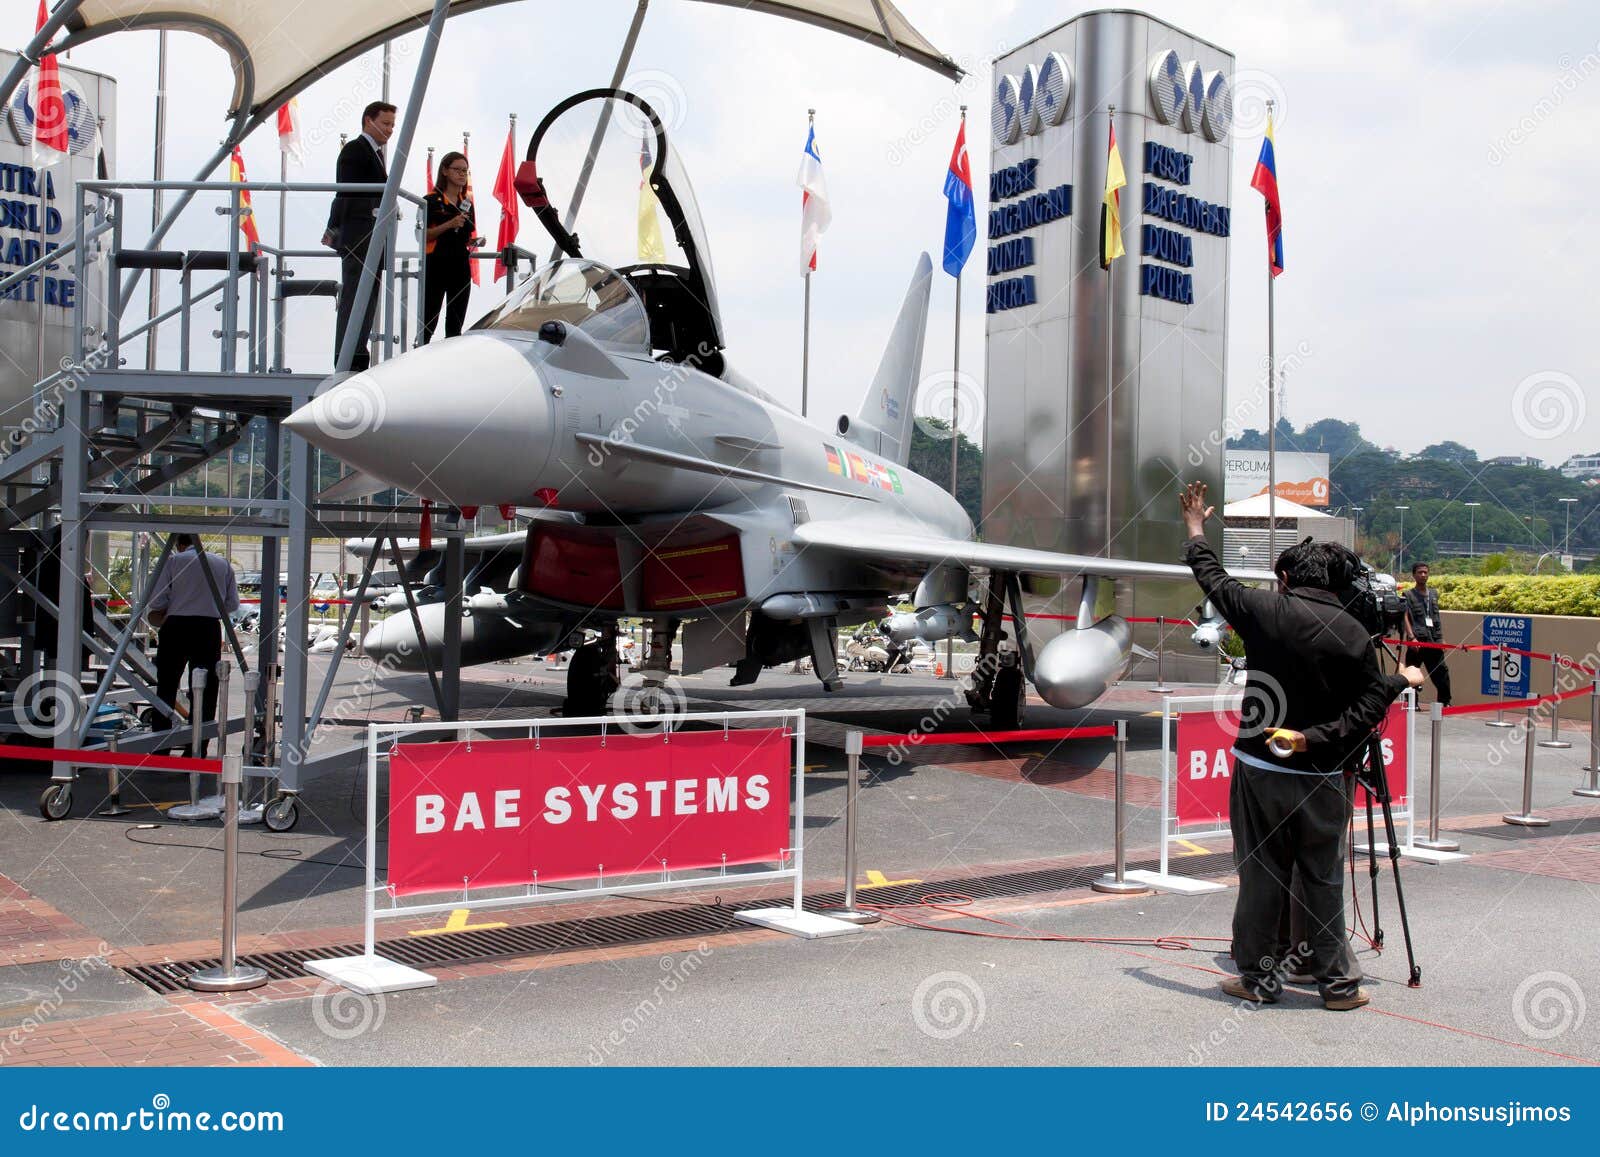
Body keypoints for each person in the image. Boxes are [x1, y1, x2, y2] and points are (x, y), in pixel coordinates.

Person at [1179, 482, 1424, 1011]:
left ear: (1285, 578)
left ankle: (1260, 979)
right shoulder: (1357, 634)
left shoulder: (1266, 611)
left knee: (1262, 874)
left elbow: (1212, 577)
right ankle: (1337, 985)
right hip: (1326, 775)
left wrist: (1196, 525)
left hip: (1261, 768)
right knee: (1323, 876)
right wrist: (1397, 681)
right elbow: (1365, 711)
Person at [147, 535, 240, 754]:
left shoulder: (173, 561)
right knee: (205, 689)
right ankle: (197, 748)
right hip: (207, 628)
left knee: (167, 686)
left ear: (179, 544)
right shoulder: (222, 563)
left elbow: (156, 601)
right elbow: (232, 603)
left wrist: (175, 604)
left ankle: (161, 746)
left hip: (176, 626)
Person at [324, 101, 397, 372]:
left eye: (392, 125)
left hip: (372, 233)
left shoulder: (374, 153)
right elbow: (347, 193)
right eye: (386, 123)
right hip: (359, 234)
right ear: (369, 120)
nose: (390, 130)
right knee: (356, 295)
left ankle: (356, 354)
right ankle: (347, 357)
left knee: (367, 296)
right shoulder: (355, 150)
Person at [420, 151, 478, 344]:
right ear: (445, 170)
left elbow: (465, 235)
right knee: (428, 321)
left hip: (460, 266)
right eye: (458, 170)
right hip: (436, 265)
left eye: (465, 171)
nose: (462, 174)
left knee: (455, 323)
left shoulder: (467, 203)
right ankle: (416, 363)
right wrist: (449, 224)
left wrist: (474, 242)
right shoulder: (429, 201)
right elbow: (423, 235)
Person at [1401, 562, 1452, 706]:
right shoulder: (1408, 595)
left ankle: (1445, 701)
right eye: (1419, 572)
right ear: (1414, 575)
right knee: (1411, 673)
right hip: (1416, 641)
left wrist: (1441, 638)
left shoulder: (1433, 594)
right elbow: (1404, 617)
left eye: (1425, 572)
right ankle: (1412, 703)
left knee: (1441, 672)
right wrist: (1411, 637)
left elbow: (1436, 619)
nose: (1423, 575)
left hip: (1433, 641)